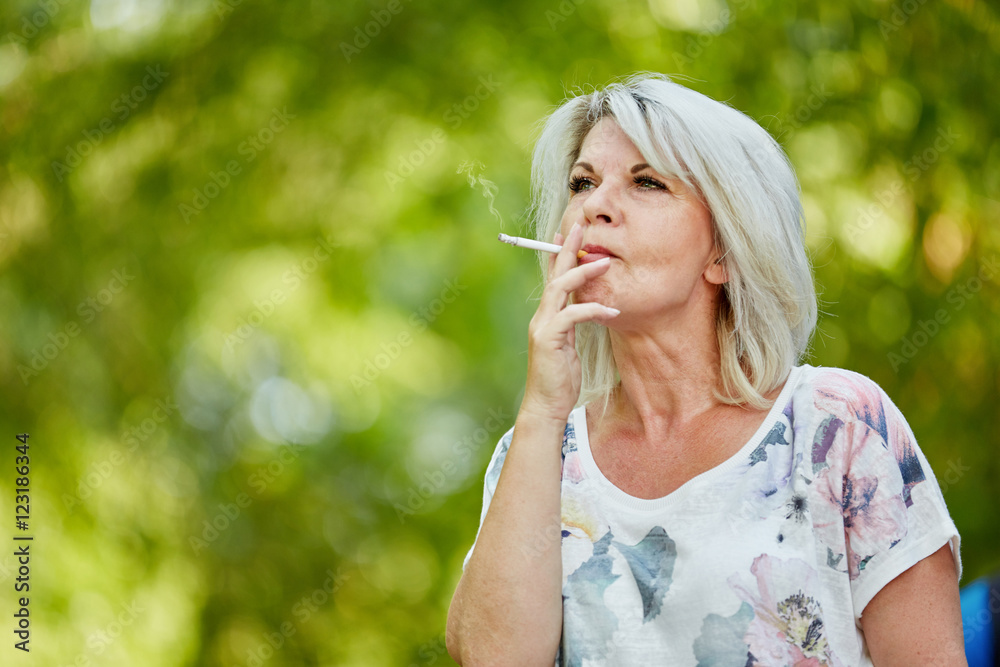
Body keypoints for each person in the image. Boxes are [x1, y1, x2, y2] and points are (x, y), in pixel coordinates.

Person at [445, 72, 965, 666]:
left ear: (723, 251)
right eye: (582, 183)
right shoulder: (537, 453)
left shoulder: (837, 426)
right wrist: (541, 412)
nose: (593, 207)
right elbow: (491, 658)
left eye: (647, 182)